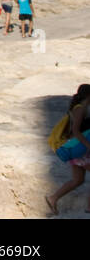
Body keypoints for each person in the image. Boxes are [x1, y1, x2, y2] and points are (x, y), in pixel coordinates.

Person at [46, 84, 90, 214]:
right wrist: (88, 145)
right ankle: (89, 207)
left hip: (75, 149)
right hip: (79, 150)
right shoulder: (80, 109)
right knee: (78, 180)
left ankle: (53, 198)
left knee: (78, 180)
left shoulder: (79, 108)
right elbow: (75, 131)